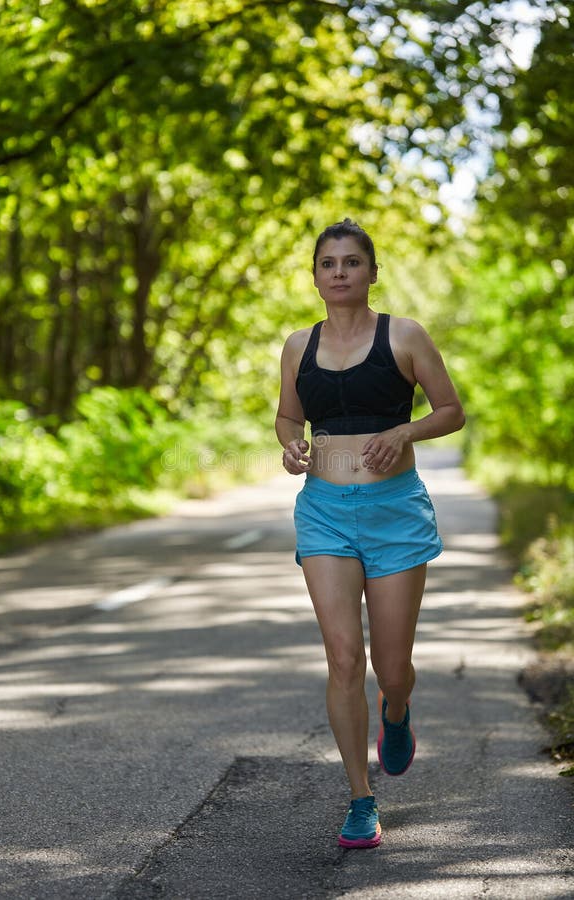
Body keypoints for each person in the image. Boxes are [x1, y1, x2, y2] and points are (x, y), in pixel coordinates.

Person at [275, 218, 465, 849]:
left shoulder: (405, 335)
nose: (339, 273)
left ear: (371, 272)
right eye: (327, 264)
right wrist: (291, 446)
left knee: (391, 666)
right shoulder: (298, 346)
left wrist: (404, 432)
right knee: (344, 660)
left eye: (351, 262)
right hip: (324, 510)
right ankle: (361, 799)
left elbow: (451, 410)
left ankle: (398, 709)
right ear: (315, 276)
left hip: (394, 512)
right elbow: (286, 416)